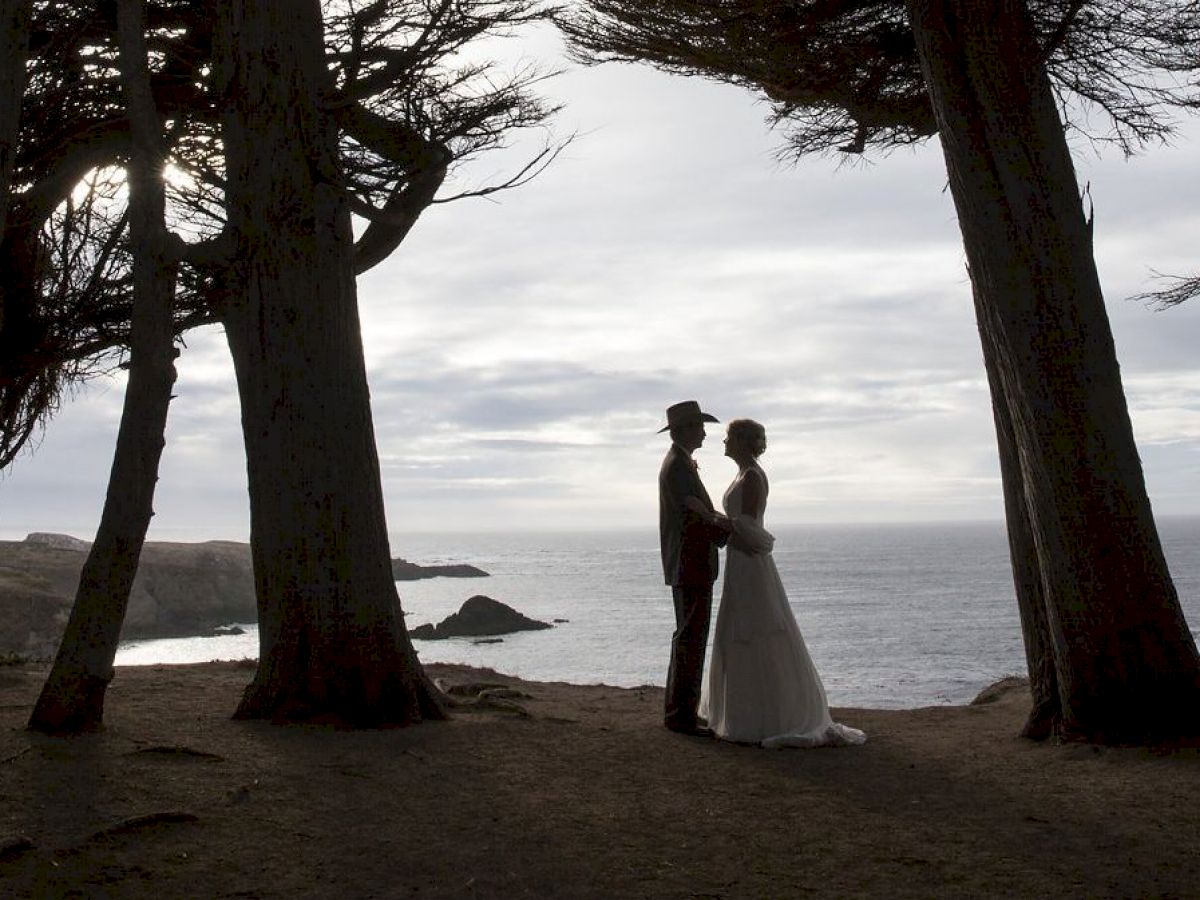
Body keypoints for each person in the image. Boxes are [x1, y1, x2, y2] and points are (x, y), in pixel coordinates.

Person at [692, 418, 866, 748]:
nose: (724, 442)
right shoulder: (744, 475)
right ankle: (743, 713)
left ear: (743, 441)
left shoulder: (754, 477)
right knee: (741, 629)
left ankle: (768, 716)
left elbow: (751, 532)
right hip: (739, 564)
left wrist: (708, 516)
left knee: (757, 629)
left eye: (728, 437)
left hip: (750, 564)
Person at [658, 400, 730, 736]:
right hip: (691, 564)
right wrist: (728, 530)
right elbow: (695, 513)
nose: (704, 433)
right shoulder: (678, 467)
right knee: (691, 637)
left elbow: (696, 512)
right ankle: (681, 716)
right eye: (699, 426)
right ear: (684, 429)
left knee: (687, 636)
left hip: (687, 564)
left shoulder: (679, 463)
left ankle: (680, 711)